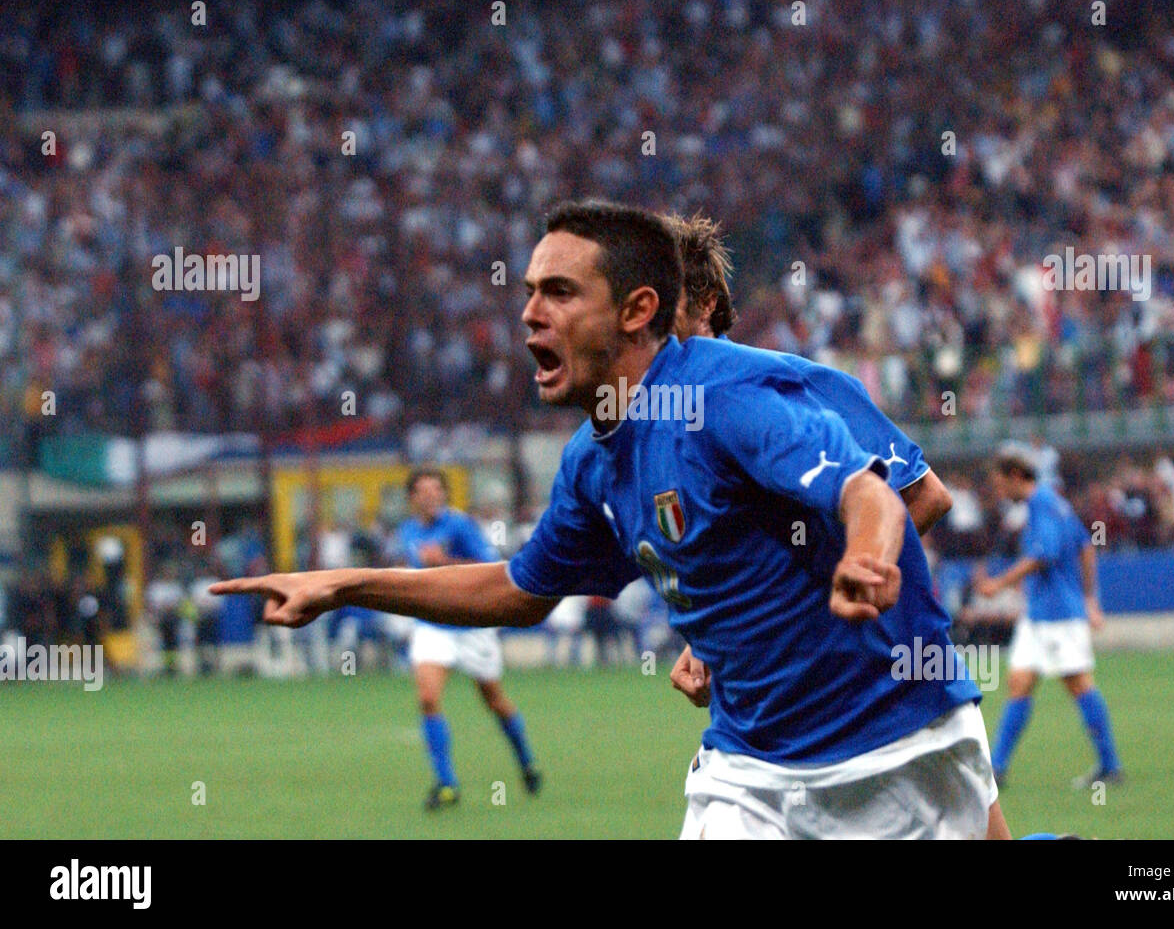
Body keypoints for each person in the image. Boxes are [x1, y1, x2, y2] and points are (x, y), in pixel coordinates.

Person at [213, 200, 997, 839]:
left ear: (640, 310)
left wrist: (863, 560)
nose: (527, 316)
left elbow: (878, 494)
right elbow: (519, 591)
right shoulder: (592, 462)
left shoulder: (740, 396)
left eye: (557, 293)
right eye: (527, 292)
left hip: (885, 745)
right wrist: (347, 584)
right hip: (747, 766)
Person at [661, 212, 1010, 839]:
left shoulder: (791, 385)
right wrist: (717, 632)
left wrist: (837, 582)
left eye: (663, 295)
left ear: (705, 302)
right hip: (771, 736)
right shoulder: (671, 423)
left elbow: (924, 496)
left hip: (892, 685)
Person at [976, 442, 1123, 789]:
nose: (999, 491)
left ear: (1015, 475)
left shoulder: (1041, 503)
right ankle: (997, 769)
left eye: (1000, 483)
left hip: (1057, 613)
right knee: (1019, 683)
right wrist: (1089, 598)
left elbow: (1042, 555)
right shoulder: (1055, 503)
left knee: (1078, 684)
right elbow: (1086, 548)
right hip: (1042, 613)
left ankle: (1110, 765)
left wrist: (999, 584)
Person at [395, 467, 541, 810]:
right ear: (412, 498)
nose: (431, 495)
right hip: (433, 624)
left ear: (444, 494)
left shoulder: (460, 525)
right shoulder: (408, 531)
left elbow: (491, 567)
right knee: (428, 698)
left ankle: (526, 762)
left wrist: (444, 561)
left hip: (472, 624)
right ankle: (447, 785)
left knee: (494, 700)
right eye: (423, 490)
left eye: (436, 489)